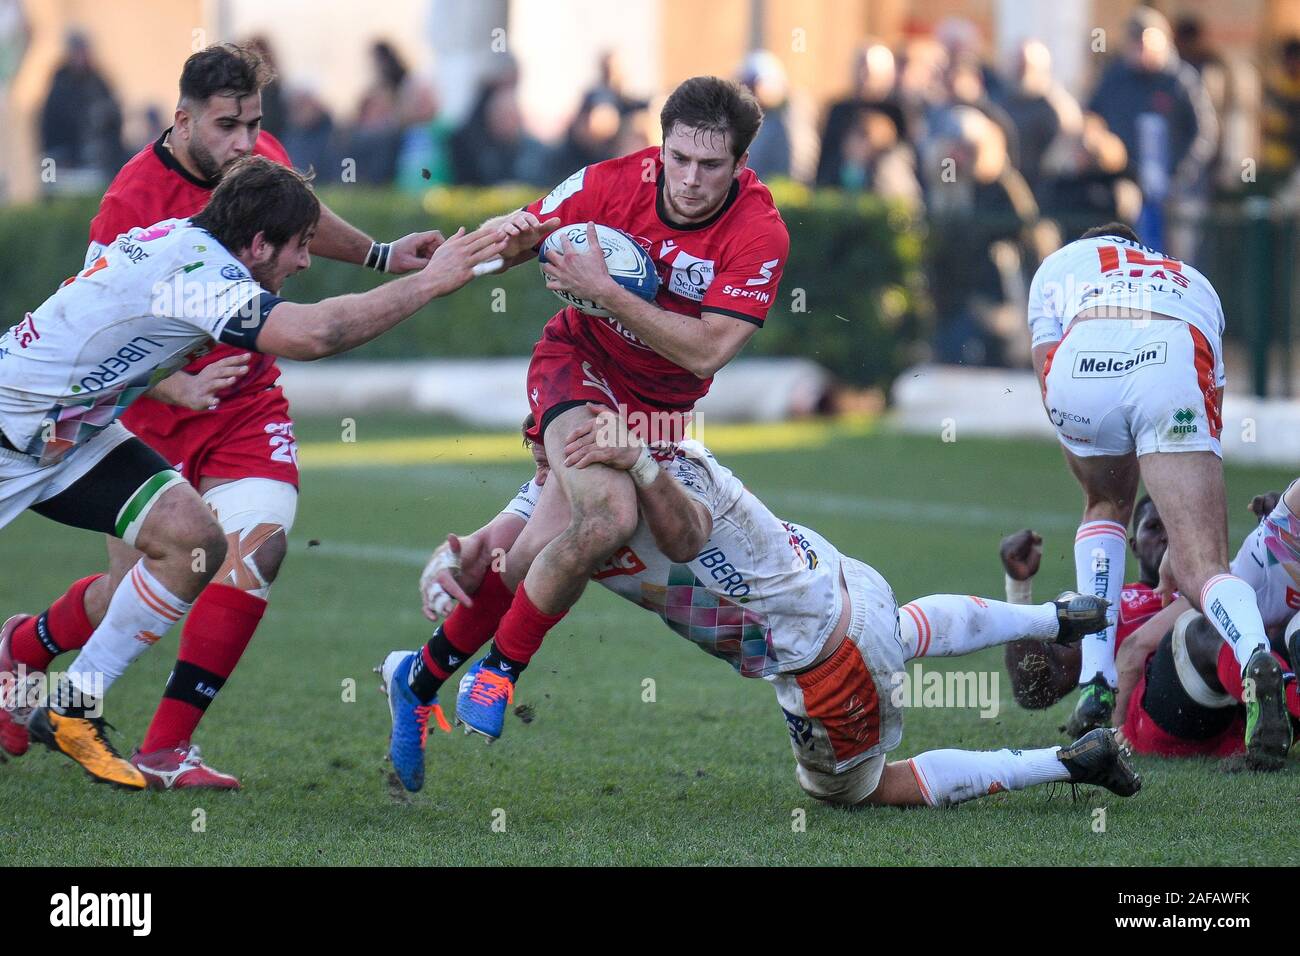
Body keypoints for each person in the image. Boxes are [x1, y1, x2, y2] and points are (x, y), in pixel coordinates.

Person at [0, 157, 504, 788]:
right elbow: (317, 334)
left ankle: (73, 708)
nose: (305, 263)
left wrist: (385, 257)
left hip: (73, 435)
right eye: (298, 248)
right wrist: (431, 283)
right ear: (259, 242)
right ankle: (23, 655)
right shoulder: (199, 270)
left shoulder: (190, 244)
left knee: (197, 543)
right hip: (11, 436)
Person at [379, 406, 1133, 805]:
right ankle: (1053, 616)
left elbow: (677, 529)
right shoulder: (569, 479)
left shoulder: (638, 468)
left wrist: (640, 461)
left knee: (853, 791)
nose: (546, 453)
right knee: (899, 629)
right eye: (541, 439)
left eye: (556, 437)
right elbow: (496, 557)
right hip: (843, 579)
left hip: (819, 655)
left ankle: (1064, 765)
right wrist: (451, 560)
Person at [409, 76, 790, 746]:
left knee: (527, 559)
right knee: (609, 516)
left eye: (710, 166)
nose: (690, 179)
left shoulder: (759, 232)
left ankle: (414, 681)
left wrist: (606, 291)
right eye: (678, 158)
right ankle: (498, 672)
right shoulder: (612, 182)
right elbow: (523, 237)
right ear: (661, 146)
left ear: (740, 166)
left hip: (661, 413)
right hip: (576, 367)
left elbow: (706, 353)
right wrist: (470, 255)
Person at [1028, 220, 1291, 768]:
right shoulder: (1192, 278)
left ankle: (1096, 681)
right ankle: (1255, 656)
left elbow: (1045, 368)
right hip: (1174, 349)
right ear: (1140, 248)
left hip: (1083, 361)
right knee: (1203, 566)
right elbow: (1208, 401)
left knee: (1103, 507)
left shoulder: (1060, 265)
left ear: (1088, 241)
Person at [998, 492, 1300, 765]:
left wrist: (1279, 547)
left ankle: (1276, 714)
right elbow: (1035, 692)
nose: (1167, 537)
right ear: (1133, 546)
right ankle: (1286, 702)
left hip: (1239, 716)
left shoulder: (1226, 581)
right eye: (1154, 527)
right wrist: (1019, 589)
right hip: (1163, 724)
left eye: (1176, 527)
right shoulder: (1107, 603)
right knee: (1199, 626)